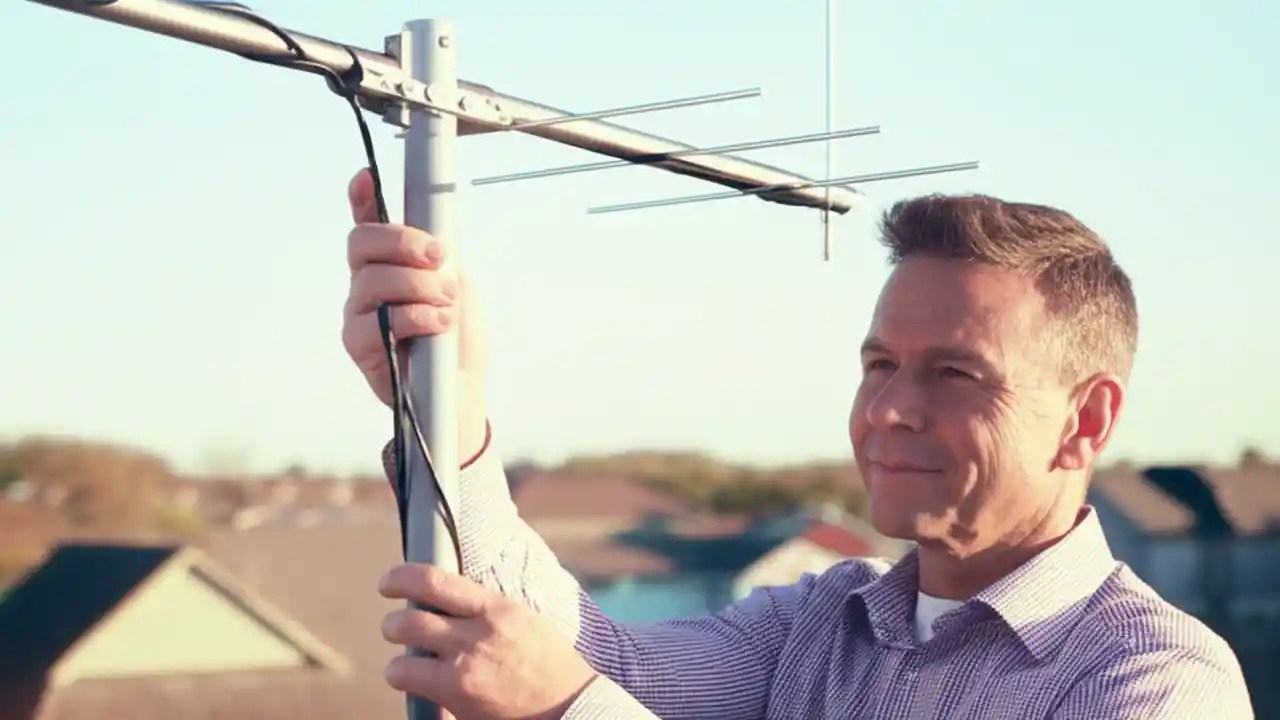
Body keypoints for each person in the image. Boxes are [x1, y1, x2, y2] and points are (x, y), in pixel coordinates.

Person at [341, 168, 1253, 719]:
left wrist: (568, 709)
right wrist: (446, 404)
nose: (889, 409)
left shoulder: (1155, 685)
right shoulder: (820, 623)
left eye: (954, 374)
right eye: (879, 363)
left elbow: (570, 689)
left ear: (1086, 421)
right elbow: (591, 659)